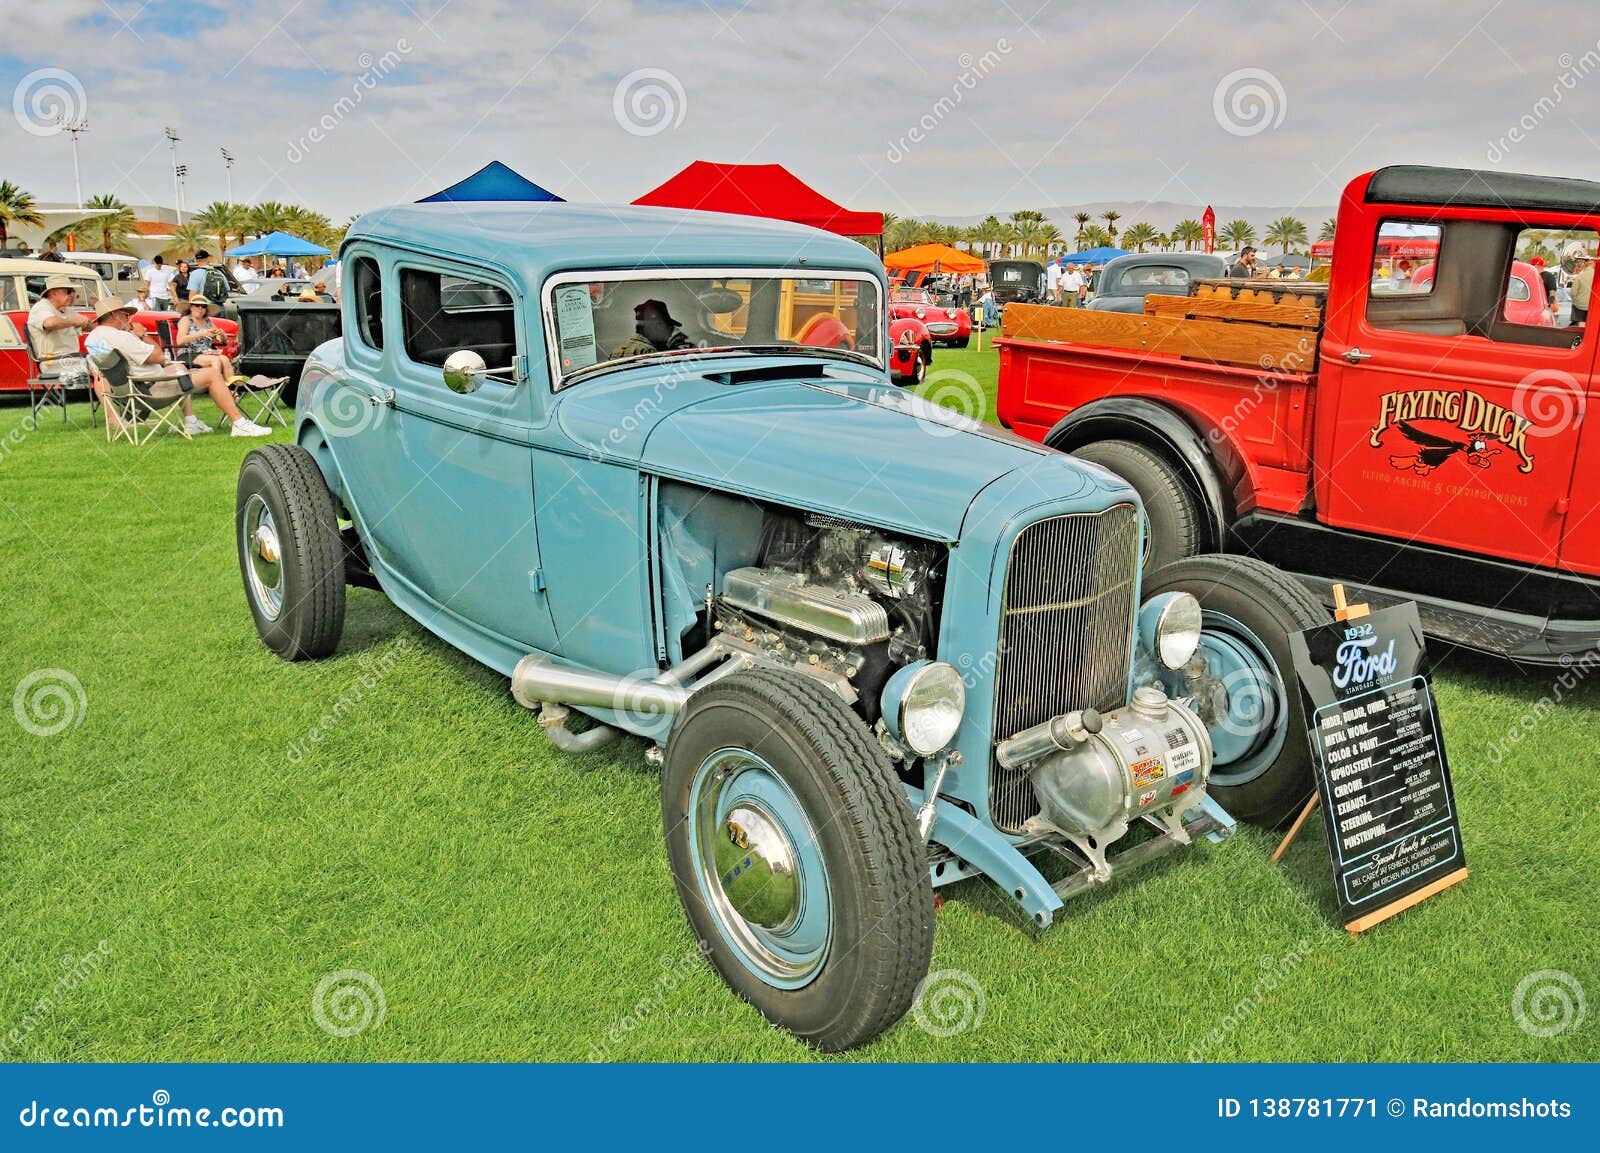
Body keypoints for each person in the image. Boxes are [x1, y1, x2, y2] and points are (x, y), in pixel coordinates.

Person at [86, 297, 271, 437]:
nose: (128, 318)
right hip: (150, 391)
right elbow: (158, 356)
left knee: (180, 367)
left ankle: (190, 421)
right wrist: (141, 336)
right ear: (114, 315)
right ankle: (239, 424)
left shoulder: (93, 339)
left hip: (126, 393)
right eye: (126, 315)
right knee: (212, 374)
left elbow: (101, 373)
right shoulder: (121, 336)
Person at [26, 274, 93, 383]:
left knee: (105, 363)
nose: (72, 295)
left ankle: (110, 397)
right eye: (68, 291)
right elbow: (49, 323)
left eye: (73, 291)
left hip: (71, 359)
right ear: (53, 293)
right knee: (102, 367)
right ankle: (111, 397)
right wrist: (75, 321)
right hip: (52, 362)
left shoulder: (66, 310)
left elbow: (89, 327)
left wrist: (85, 323)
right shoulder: (41, 307)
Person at [176, 293, 241, 382]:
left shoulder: (207, 321)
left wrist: (221, 334)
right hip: (189, 353)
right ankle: (217, 386)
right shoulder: (186, 320)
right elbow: (180, 341)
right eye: (197, 305)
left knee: (225, 359)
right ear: (191, 307)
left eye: (203, 306)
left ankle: (232, 387)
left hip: (207, 353)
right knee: (215, 360)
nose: (200, 308)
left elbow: (222, 341)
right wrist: (201, 334)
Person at [610, 299, 692, 359]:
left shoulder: (616, 351)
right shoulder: (649, 352)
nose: (670, 335)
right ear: (658, 326)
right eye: (669, 328)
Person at [1569, 245, 1593, 326]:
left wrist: (1575, 301)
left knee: (1581, 323)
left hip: (1580, 306)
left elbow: (1573, 292)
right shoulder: (1596, 275)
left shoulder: (1580, 276)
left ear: (1585, 263)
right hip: (1594, 305)